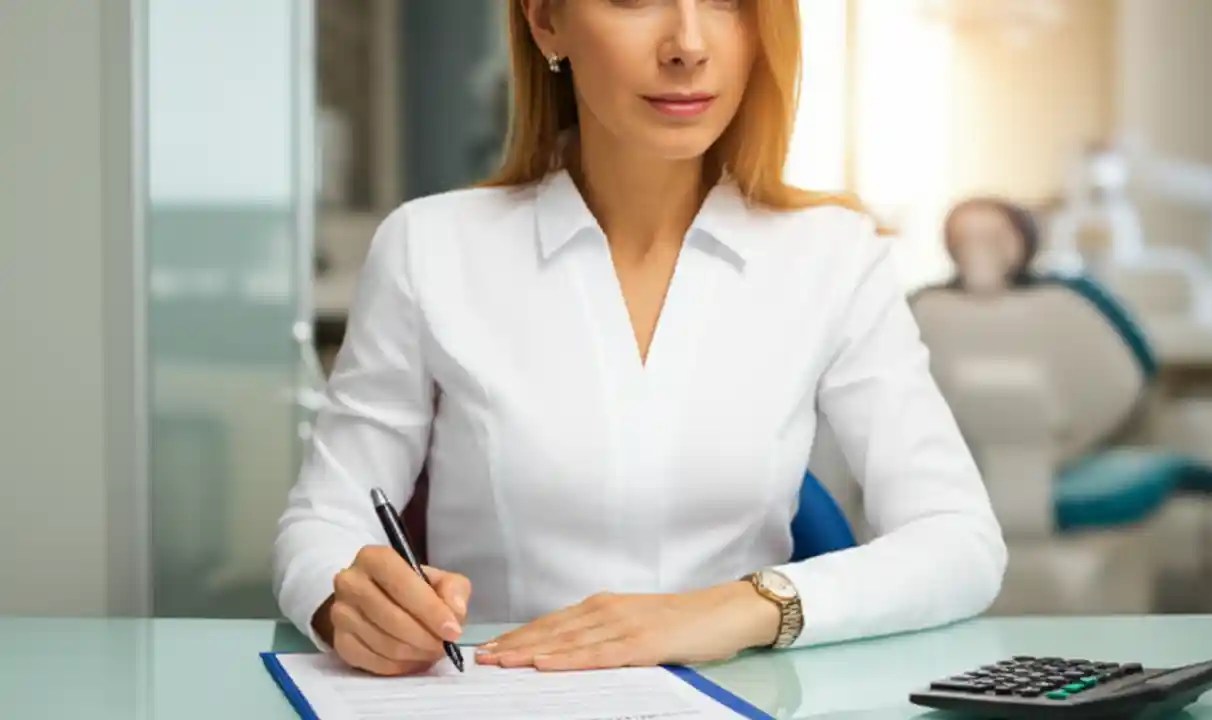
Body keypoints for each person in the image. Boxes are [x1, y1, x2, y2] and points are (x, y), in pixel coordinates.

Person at [274, 0, 1006, 677]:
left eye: (725, 1)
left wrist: (731, 610)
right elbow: (324, 521)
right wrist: (346, 604)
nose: (687, 44)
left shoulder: (833, 255)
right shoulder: (428, 247)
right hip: (502, 696)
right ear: (545, 21)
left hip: (744, 697)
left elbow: (959, 542)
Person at [941, 197, 1041, 295]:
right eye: (966, 238)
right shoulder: (934, 301)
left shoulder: (1051, 294)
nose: (981, 247)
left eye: (994, 237)